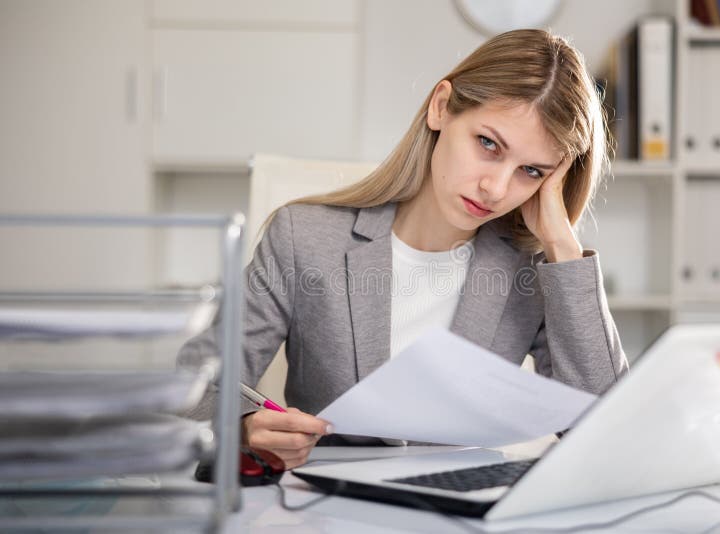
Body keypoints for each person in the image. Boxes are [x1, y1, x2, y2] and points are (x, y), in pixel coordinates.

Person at [179, 28, 629, 469]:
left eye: (531, 171)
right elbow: (195, 389)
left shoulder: (532, 270)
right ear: (440, 108)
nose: (496, 188)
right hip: (326, 508)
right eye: (488, 144)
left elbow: (606, 432)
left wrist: (563, 248)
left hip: (464, 510)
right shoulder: (303, 237)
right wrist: (242, 428)